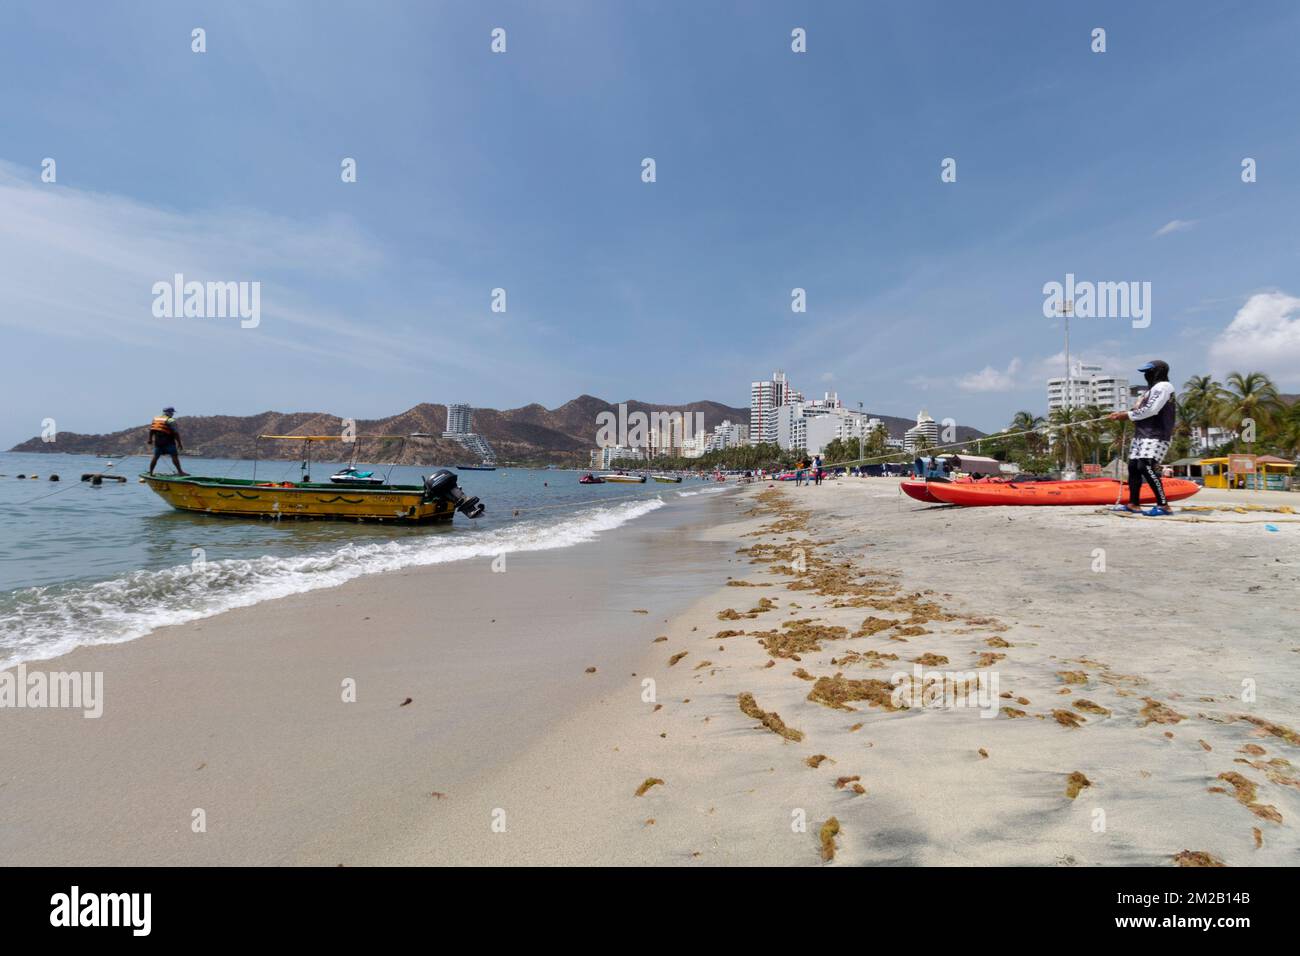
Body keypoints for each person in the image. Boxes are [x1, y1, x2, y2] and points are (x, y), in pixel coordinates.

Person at [1109, 360, 1175, 515]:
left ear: (1158, 372)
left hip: (1156, 434)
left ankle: (1163, 505)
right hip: (1142, 435)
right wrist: (1123, 414)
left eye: (1149, 372)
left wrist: (1126, 415)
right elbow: (1140, 409)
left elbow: (1151, 409)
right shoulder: (1150, 391)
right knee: (1133, 468)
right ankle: (1134, 503)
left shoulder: (1164, 387)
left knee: (1144, 466)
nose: (1146, 375)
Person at [147, 406, 189, 476]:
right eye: (172, 412)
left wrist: (150, 439)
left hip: (158, 442)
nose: (172, 414)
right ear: (169, 412)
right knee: (174, 456)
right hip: (169, 442)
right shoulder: (171, 420)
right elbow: (176, 433)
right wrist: (179, 443)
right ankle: (180, 472)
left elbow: (152, 430)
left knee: (155, 457)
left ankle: (151, 473)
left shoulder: (156, 419)